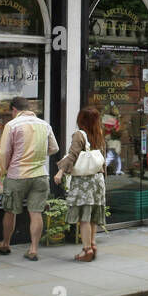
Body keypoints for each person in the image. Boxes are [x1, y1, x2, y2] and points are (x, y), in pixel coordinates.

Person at [0, 97, 59, 261]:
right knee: (36, 213)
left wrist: (3, 170)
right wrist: (38, 156)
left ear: (14, 110)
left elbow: (4, 153)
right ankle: (33, 249)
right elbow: (54, 148)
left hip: (17, 174)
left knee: (10, 211)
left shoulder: (12, 125)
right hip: (40, 175)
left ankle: (6, 243)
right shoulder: (45, 125)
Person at [53, 107, 106, 262]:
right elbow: (102, 158)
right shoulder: (99, 133)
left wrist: (60, 172)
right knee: (93, 216)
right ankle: (93, 244)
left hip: (84, 181)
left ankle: (87, 250)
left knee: (84, 217)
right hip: (98, 180)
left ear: (81, 119)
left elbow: (72, 155)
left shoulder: (79, 135)